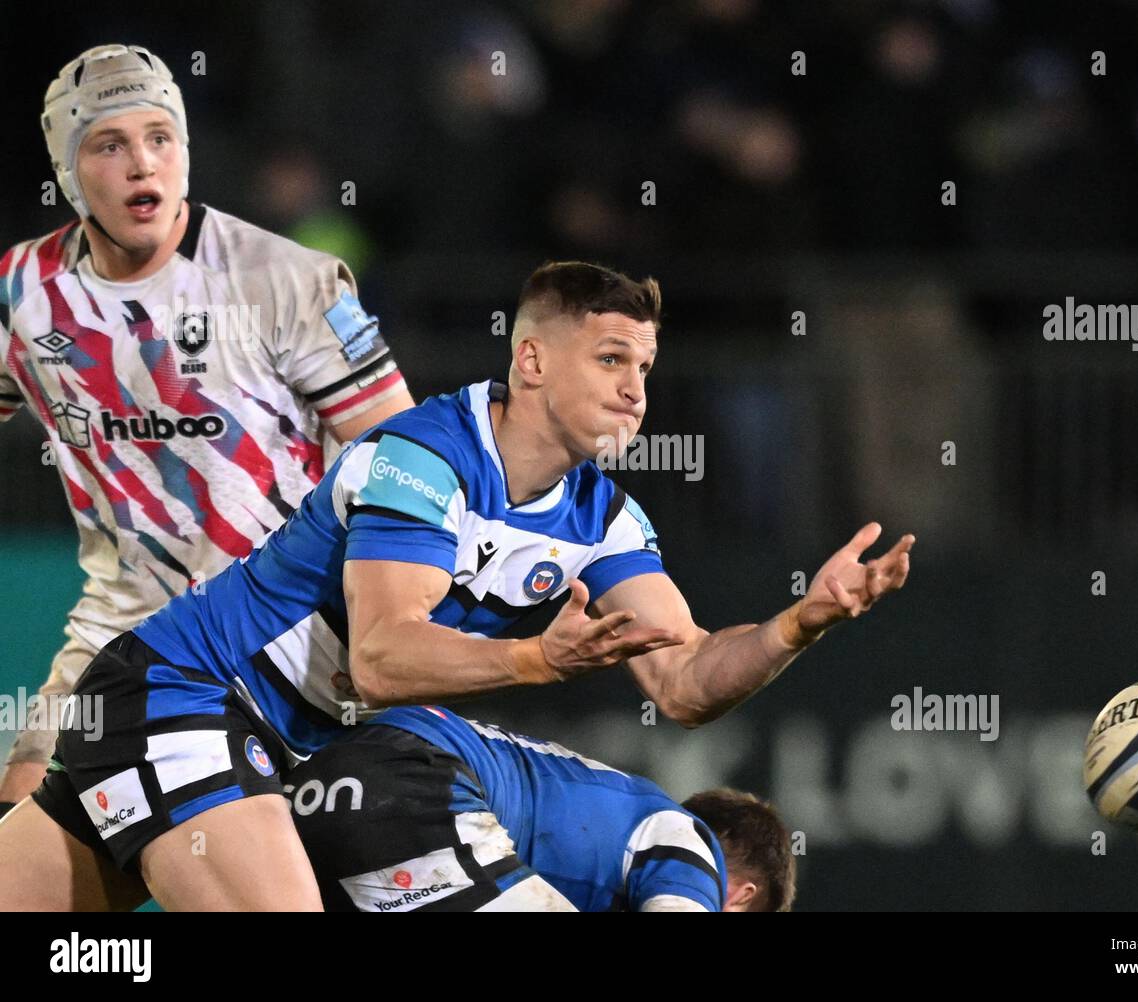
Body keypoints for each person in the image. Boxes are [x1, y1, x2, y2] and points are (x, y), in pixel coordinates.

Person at [0, 260, 913, 911]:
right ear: (531, 361)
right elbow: (386, 658)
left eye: (645, 367)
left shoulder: (602, 520)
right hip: (190, 697)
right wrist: (537, 658)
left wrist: (801, 623)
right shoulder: (422, 458)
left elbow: (685, 681)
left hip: (242, 737)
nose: (637, 390)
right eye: (610, 359)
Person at [0, 44, 414, 812]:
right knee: (22, 810)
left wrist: (397, 626)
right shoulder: (22, 294)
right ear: (66, 168)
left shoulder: (289, 279)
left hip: (284, 633)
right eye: (109, 144)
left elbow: (409, 467)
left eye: (160, 137)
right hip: (117, 634)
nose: (141, 163)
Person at [285, 704, 796, 912]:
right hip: (422, 783)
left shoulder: (619, 813)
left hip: (325, 773)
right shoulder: (690, 841)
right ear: (738, 897)